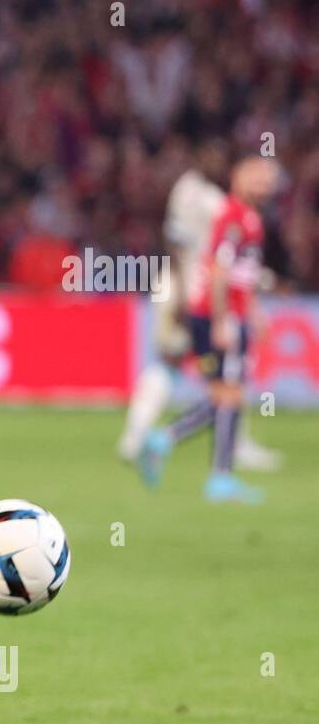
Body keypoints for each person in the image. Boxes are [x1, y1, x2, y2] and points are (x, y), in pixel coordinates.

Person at [137, 156, 280, 503]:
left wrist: (255, 314)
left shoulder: (251, 219)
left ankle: (167, 443)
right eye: (256, 177)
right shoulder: (233, 216)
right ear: (236, 178)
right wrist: (222, 320)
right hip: (219, 317)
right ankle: (216, 475)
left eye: (268, 179)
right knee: (228, 396)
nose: (263, 184)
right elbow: (218, 270)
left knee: (226, 396)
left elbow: (241, 277)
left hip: (230, 314)